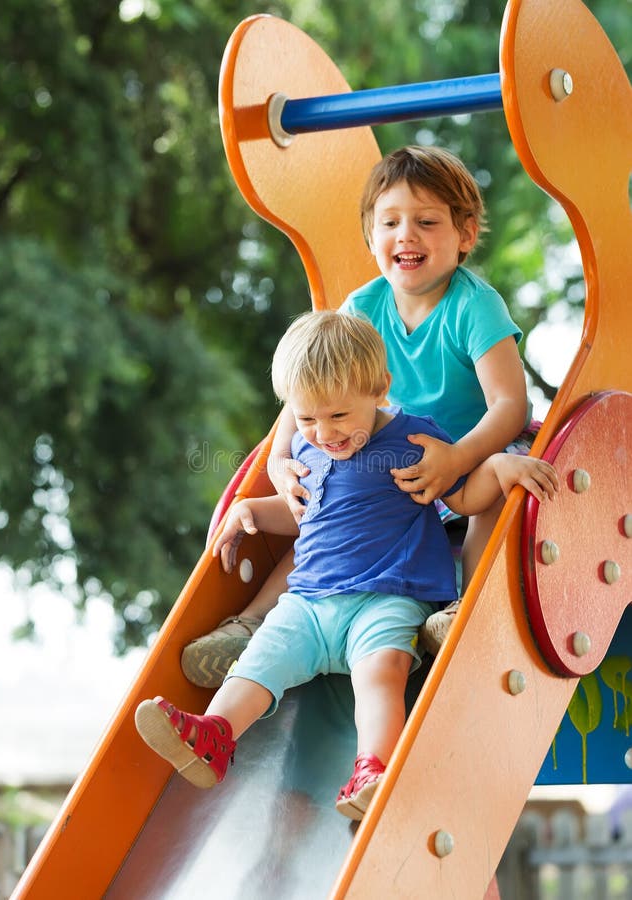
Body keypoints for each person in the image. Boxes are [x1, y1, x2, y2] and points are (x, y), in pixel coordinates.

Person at [136, 311, 557, 820]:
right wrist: (252, 510)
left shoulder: (413, 440)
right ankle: (216, 736)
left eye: (338, 416)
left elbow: (462, 497)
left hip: (386, 598)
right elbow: (304, 517)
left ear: (379, 388)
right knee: (257, 662)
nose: (324, 432)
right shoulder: (305, 450)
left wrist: (496, 467)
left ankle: (373, 769)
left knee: (382, 673)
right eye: (308, 417)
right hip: (307, 603)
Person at [181, 144, 538, 686]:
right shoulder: (361, 308)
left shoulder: (473, 305)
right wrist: (280, 461)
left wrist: (459, 456)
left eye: (426, 221)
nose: (406, 235)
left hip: (466, 449)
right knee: (324, 506)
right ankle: (250, 625)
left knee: (494, 487)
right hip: (385, 457)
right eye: (390, 222)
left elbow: (511, 405)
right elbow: (311, 390)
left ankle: (461, 606)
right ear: (371, 235)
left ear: (465, 234)